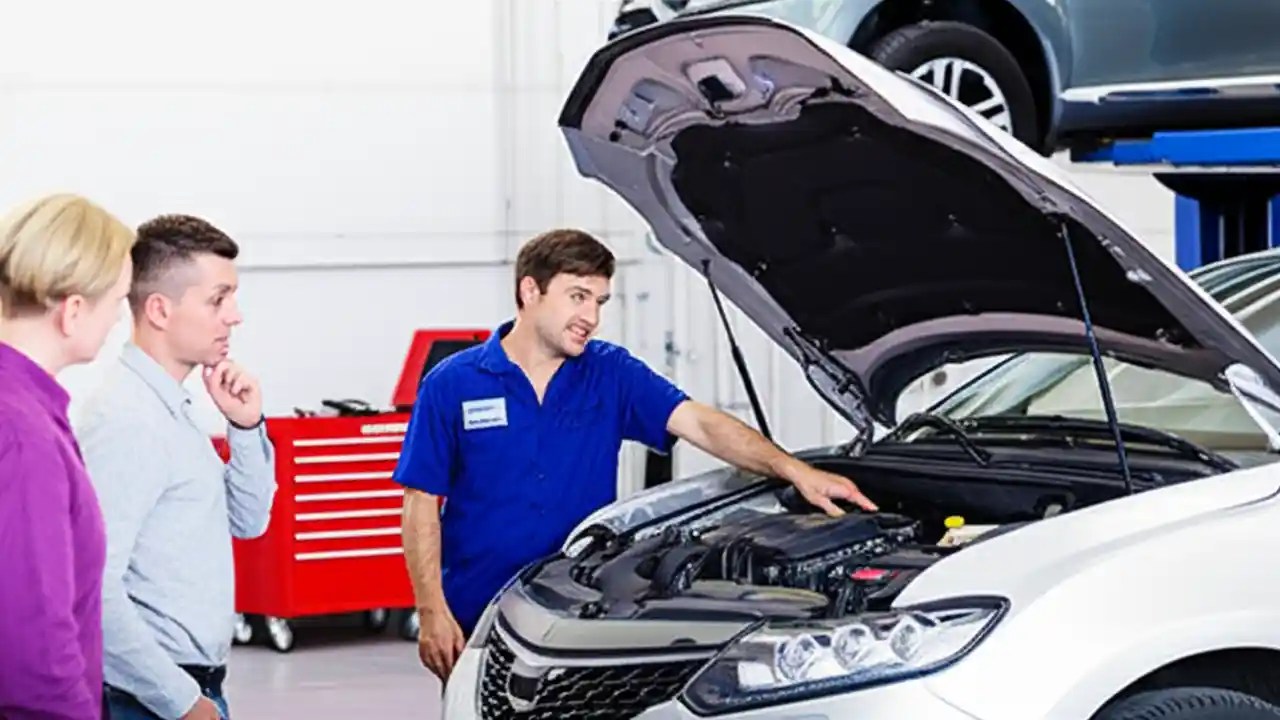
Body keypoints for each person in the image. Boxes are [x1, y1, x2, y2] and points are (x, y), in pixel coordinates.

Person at [394, 228, 878, 683]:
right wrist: (432, 609)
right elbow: (421, 504)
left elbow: (701, 423)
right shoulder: (453, 384)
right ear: (530, 291)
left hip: (577, 608)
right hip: (479, 612)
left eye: (600, 302)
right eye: (578, 297)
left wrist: (793, 469)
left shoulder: (610, 373)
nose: (592, 317)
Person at [76, 214, 277, 720]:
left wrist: (246, 427)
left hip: (189, 686)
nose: (235, 316)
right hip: (147, 697)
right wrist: (181, 701)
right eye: (218, 299)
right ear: (160, 310)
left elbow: (249, 520)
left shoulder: (174, 412)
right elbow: (94, 587)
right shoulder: (128, 421)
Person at [0, 193, 135, 720]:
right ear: (73, 310)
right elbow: (32, 640)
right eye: (117, 303)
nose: (118, 322)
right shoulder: (22, 432)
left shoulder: (26, 407)